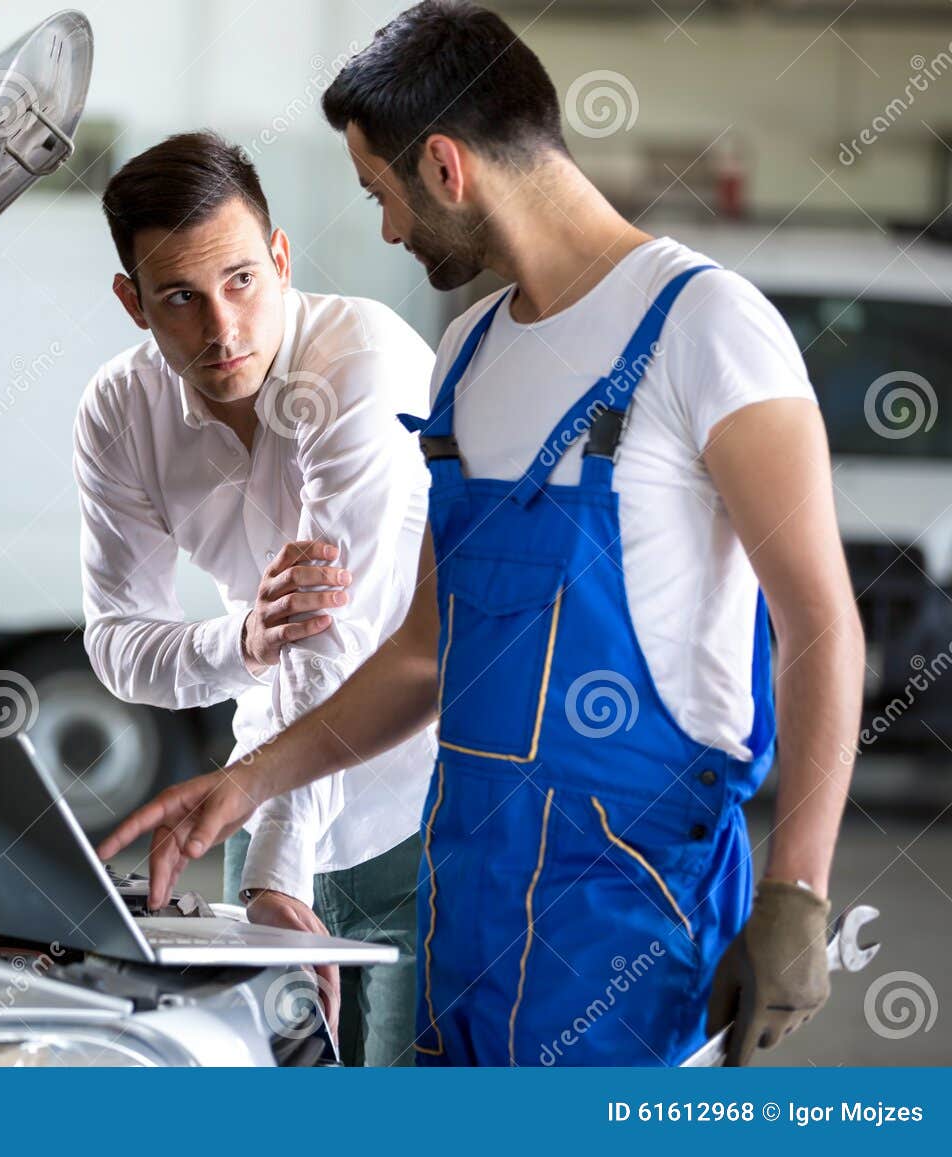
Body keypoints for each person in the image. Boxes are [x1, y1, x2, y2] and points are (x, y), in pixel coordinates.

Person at [98, 3, 863, 1068]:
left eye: (381, 193)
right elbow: (423, 649)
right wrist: (248, 780)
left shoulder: (706, 326)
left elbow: (818, 619)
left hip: (633, 932)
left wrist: (797, 888)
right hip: (468, 927)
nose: (387, 231)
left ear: (446, 168)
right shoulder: (466, 357)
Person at [74, 131, 439, 1064]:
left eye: (241, 280)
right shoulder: (119, 412)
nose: (222, 330)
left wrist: (276, 866)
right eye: (181, 299)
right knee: (264, 1092)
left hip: (427, 803)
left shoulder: (356, 362)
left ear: (280, 258)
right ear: (132, 301)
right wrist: (238, 641)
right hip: (266, 779)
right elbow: (117, 642)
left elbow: (331, 641)